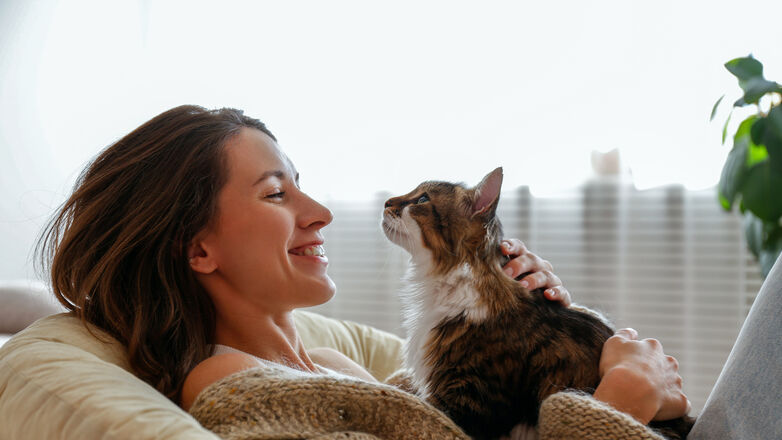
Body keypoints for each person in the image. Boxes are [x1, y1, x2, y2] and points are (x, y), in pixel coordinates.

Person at [39, 105, 689, 435]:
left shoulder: (332, 370)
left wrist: (526, 345)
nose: (320, 212)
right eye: (275, 194)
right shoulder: (232, 383)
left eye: (304, 186)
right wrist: (617, 403)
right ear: (197, 249)